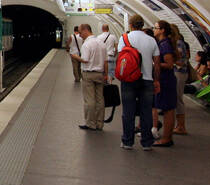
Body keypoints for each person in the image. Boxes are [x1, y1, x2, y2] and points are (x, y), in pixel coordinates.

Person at [118, 14, 159, 151]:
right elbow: (157, 63)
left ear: (130, 25)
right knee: (146, 111)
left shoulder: (124, 38)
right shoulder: (151, 40)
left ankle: (127, 141)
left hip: (129, 80)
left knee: (128, 111)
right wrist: (156, 80)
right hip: (147, 80)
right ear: (142, 25)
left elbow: (121, 58)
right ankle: (146, 143)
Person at [70, 23, 109, 131]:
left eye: (80, 32)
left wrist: (75, 57)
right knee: (100, 99)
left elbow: (85, 59)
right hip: (100, 74)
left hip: (89, 74)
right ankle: (99, 124)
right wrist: (106, 75)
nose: (80, 35)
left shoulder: (87, 44)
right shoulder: (101, 43)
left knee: (89, 100)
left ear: (85, 30)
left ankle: (90, 123)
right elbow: (106, 61)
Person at [152, 20, 179, 147]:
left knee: (168, 110)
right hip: (165, 79)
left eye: (156, 28)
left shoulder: (164, 45)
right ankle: (167, 137)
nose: (154, 30)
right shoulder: (163, 43)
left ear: (162, 30)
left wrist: (155, 63)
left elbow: (169, 64)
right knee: (167, 108)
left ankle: (167, 138)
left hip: (166, 80)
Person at [173, 25, 190, 135]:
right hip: (179, 72)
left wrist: (169, 61)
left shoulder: (178, 43)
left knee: (178, 100)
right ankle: (179, 125)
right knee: (177, 99)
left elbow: (180, 61)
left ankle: (181, 126)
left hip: (179, 72)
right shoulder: (179, 43)